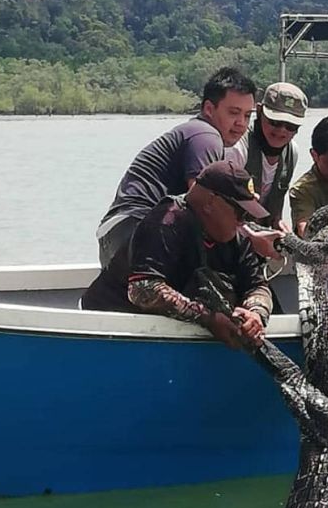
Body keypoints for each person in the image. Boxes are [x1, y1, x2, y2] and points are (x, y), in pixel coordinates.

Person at [80, 159, 278, 350]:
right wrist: (208, 318)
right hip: (112, 328)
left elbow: (257, 285)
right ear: (211, 202)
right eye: (241, 213)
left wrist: (256, 315)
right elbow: (143, 289)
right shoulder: (166, 221)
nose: (243, 222)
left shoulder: (237, 236)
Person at [94, 67, 257, 271]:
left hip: (117, 232)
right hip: (135, 227)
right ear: (208, 109)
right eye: (234, 113)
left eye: (248, 115)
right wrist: (251, 236)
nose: (241, 124)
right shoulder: (206, 136)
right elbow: (205, 206)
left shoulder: (195, 132)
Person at [227, 81, 306, 233]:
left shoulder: (292, 153)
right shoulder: (238, 148)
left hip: (261, 235)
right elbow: (220, 209)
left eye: (291, 126)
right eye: (275, 122)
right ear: (259, 111)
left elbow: (277, 204)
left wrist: (278, 223)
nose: (282, 131)